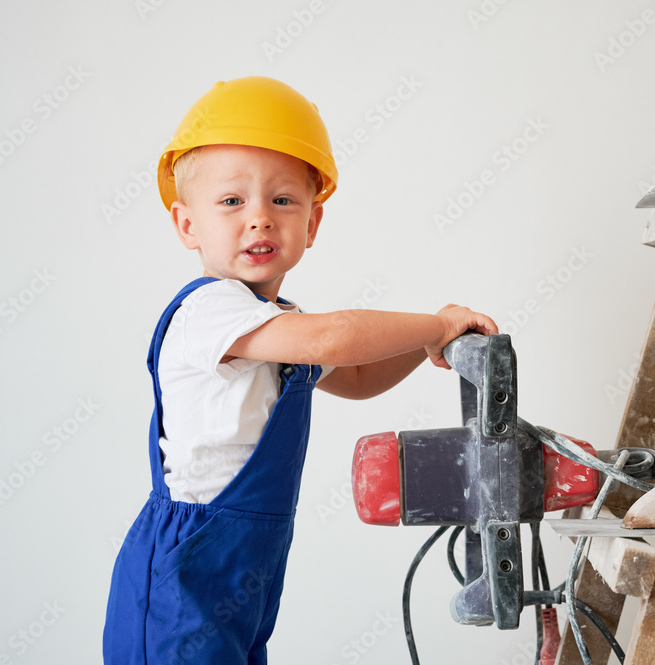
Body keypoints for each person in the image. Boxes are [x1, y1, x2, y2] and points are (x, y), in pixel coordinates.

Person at [102, 76, 497, 665]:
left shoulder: (275, 323)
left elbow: (357, 377)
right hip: (184, 576)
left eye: (282, 200)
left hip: (245, 567)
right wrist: (432, 325)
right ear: (187, 224)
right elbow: (334, 336)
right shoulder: (210, 311)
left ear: (311, 224)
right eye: (232, 201)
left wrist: (422, 350)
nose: (259, 218)